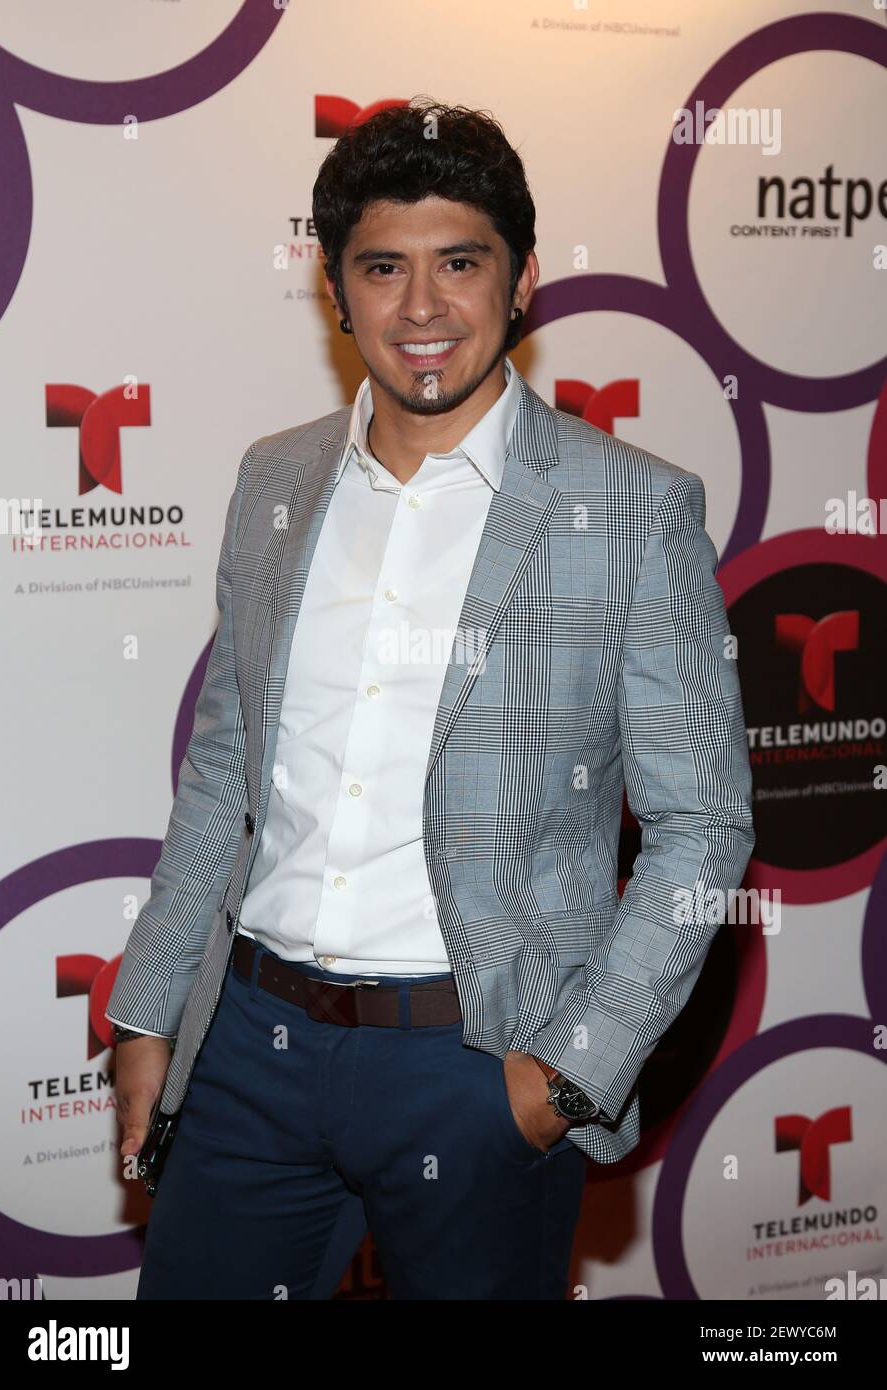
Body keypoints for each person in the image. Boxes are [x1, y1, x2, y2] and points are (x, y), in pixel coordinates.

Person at [107, 98, 755, 1300]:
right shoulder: (276, 479)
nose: (421, 309)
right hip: (250, 1040)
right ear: (334, 286)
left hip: (475, 1064)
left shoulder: (629, 510)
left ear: (521, 282)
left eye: (460, 263)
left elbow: (704, 828)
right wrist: (149, 1011)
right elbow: (226, 773)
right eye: (383, 268)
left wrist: (563, 1078)